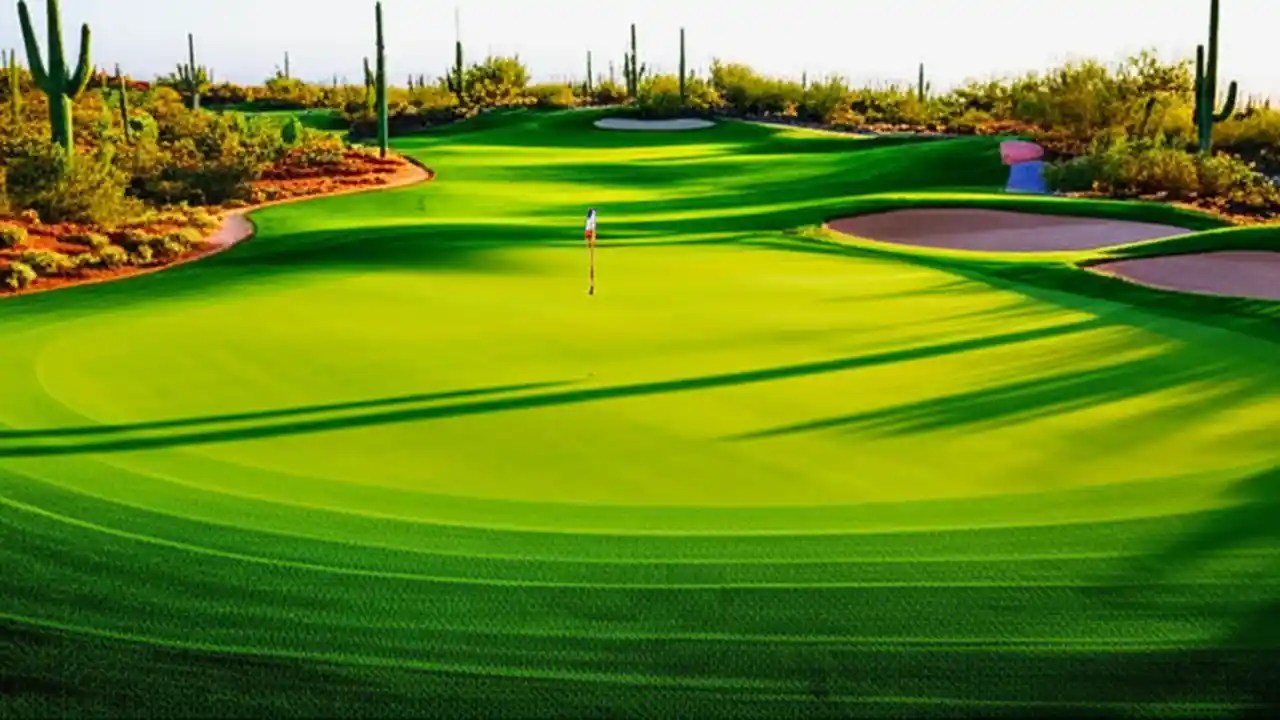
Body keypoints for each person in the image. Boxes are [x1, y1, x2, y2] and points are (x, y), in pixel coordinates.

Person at [584, 208, 597, 295]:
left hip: (590, 234)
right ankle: (591, 286)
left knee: (591, 264)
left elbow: (593, 231)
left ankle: (592, 286)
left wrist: (592, 239)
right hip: (589, 234)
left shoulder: (591, 223)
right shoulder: (589, 222)